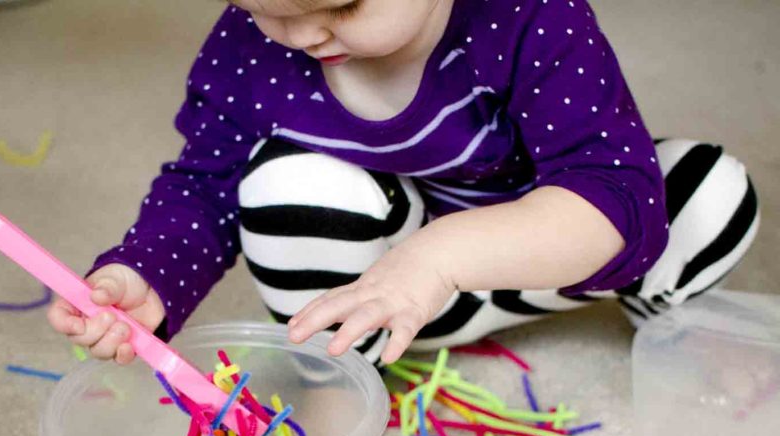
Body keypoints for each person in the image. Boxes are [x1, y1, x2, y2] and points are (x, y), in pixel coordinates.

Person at [49, 0, 759, 371]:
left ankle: (663, 318)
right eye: (266, 8)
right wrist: (147, 274)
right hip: (381, 293)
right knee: (284, 183)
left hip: (546, 261)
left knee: (712, 190)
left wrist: (442, 261)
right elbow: (204, 185)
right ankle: (344, 372)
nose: (302, 35)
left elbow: (615, 199)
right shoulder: (251, 49)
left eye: (346, 4)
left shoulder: (529, 13)